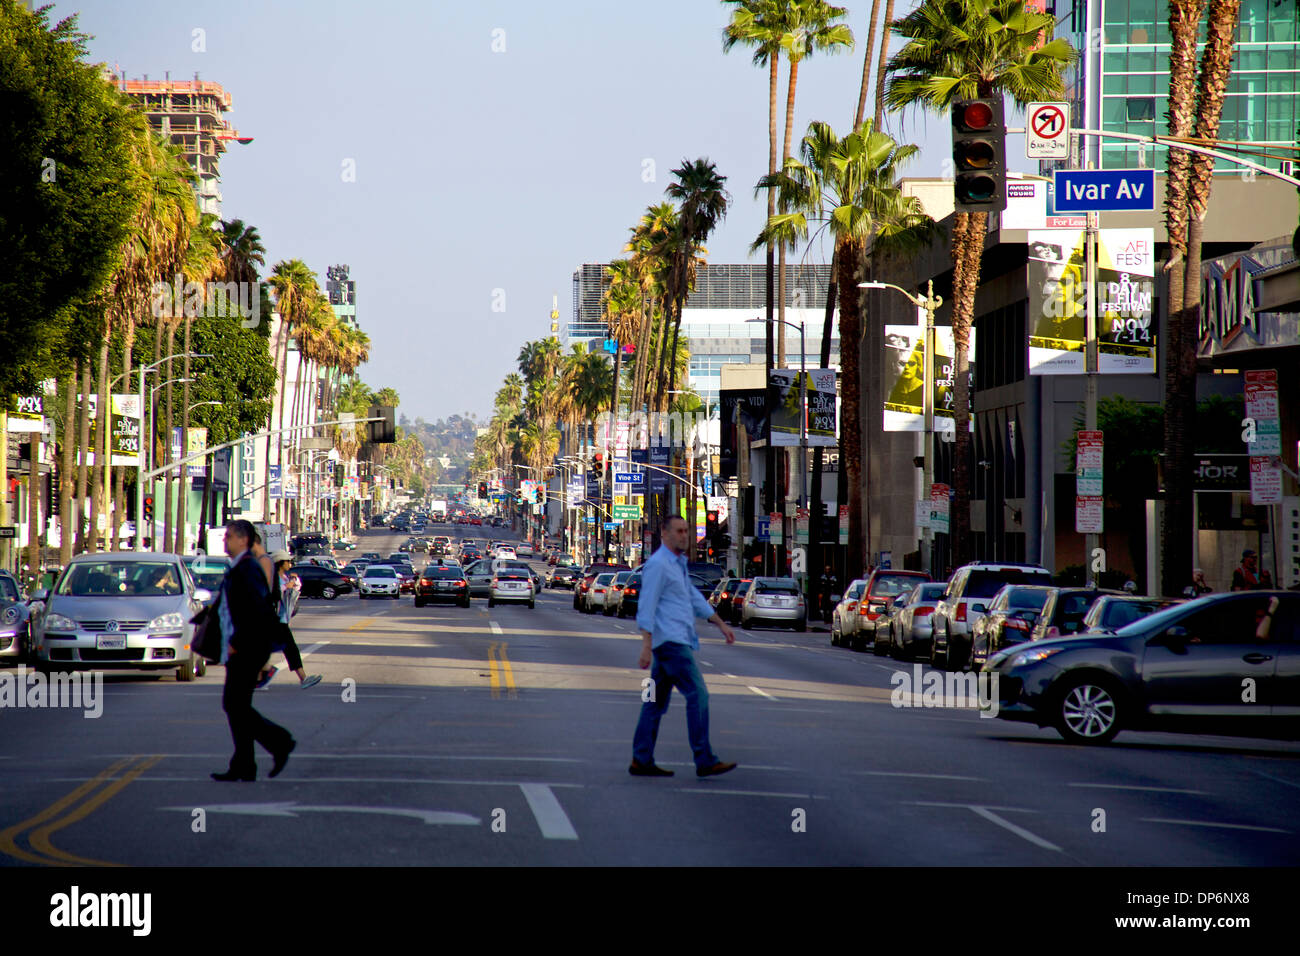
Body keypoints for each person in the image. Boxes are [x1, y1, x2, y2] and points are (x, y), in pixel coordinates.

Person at [631, 515, 738, 778]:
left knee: (654, 702)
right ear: (664, 535)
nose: (684, 536)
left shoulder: (677, 564)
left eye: (686, 531)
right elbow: (647, 605)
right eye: (679, 531)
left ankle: (641, 759)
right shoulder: (658, 565)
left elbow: (692, 597)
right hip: (671, 644)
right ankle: (704, 758)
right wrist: (646, 644)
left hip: (673, 642)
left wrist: (720, 623)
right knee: (697, 694)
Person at [211, 519, 296, 782]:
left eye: (229, 537)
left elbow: (255, 610)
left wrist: (240, 643)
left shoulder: (248, 569)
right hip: (241, 646)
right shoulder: (241, 567)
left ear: (243, 541)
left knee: (234, 704)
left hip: (247, 648)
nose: (224, 541)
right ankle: (244, 765)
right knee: (237, 706)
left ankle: (279, 741)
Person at [256, 551, 322, 690]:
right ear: (280, 563)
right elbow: (271, 593)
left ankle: (263, 675)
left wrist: (294, 581)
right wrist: (287, 586)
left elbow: (296, 589)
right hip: (274, 620)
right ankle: (302, 678)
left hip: (282, 619)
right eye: (288, 561)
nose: (290, 564)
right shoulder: (273, 579)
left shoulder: (285, 578)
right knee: (290, 649)